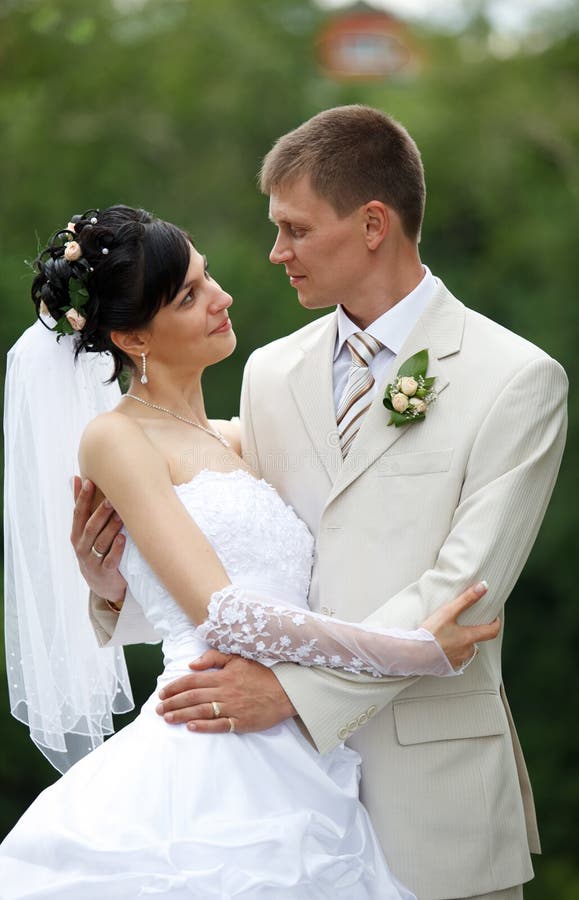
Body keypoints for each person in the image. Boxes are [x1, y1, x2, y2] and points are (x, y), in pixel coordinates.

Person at [77, 107, 568, 900]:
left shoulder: (514, 377)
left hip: (429, 794)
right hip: (269, 799)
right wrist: (113, 587)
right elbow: (241, 556)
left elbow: (463, 595)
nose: (275, 254)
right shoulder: (271, 372)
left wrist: (290, 695)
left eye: (294, 230)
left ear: (372, 224)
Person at [0, 205, 498, 899]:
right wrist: (411, 649)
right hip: (205, 754)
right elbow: (222, 613)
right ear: (130, 337)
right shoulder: (115, 439)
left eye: (210, 278)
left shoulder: (240, 439)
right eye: (190, 295)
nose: (221, 298)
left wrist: (113, 586)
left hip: (303, 746)